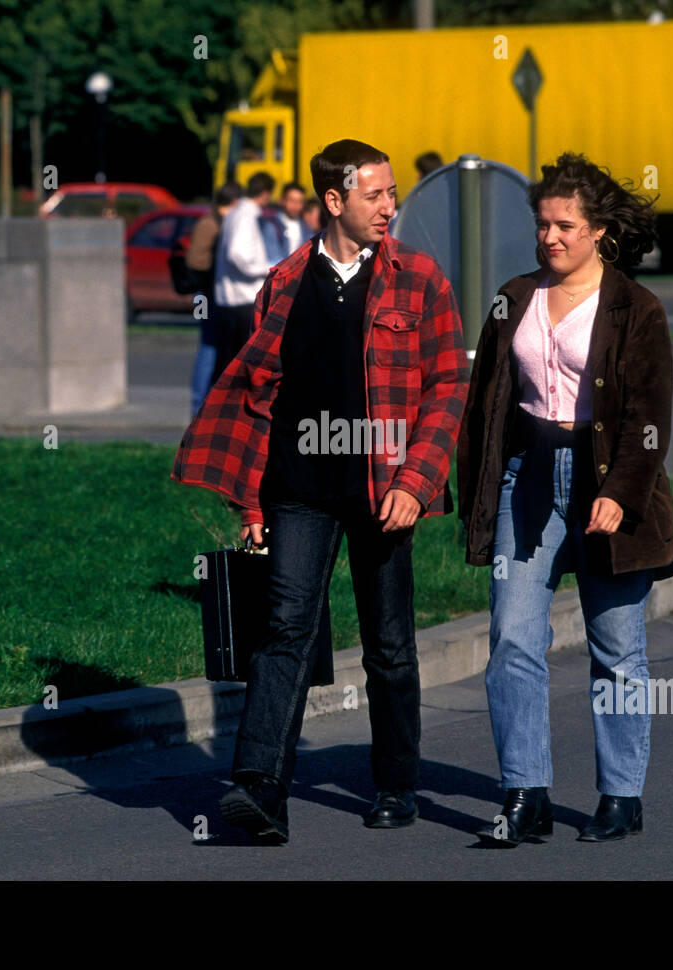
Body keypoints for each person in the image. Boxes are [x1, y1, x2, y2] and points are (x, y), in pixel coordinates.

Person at [172, 139, 469, 843]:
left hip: (383, 488)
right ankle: (260, 788)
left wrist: (417, 479)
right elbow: (260, 395)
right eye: (377, 195)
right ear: (334, 201)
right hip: (298, 488)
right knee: (284, 632)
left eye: (393, 193)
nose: (391, 207)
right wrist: (250, 502)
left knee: (388, 645)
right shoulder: (284, 280)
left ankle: (396, 783)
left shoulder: (420, 279)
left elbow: (449, 384)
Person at [457, 151, 673, 847]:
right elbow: (486, 404)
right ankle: (524, 792)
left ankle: (621, 795)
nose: (549, 237)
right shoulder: (513, 296)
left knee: (617, 647)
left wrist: (622, 492)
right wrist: (475, 492)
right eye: (543, 225)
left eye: (564, 226)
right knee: (512, 640)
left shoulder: (635, 309)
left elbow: (651, 417)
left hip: (607, 482)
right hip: (528, 480)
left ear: (598, 233)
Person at [185, 181, 242, 416]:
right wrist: (220, 265)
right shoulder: (210, 224)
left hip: (217, 292)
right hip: (207, 294)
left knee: (219, 345)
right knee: (209, 345)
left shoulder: (222, 222)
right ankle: (199, 405)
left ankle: (211, 403)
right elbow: (196, 260)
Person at [213, 172, 275, 383]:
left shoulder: (235, 212)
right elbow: (236, 253)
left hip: (232, 297)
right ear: (266, 194)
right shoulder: (246, 215)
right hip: (242, 297)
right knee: (240, 364)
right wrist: (264, 269)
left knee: (229, 361)